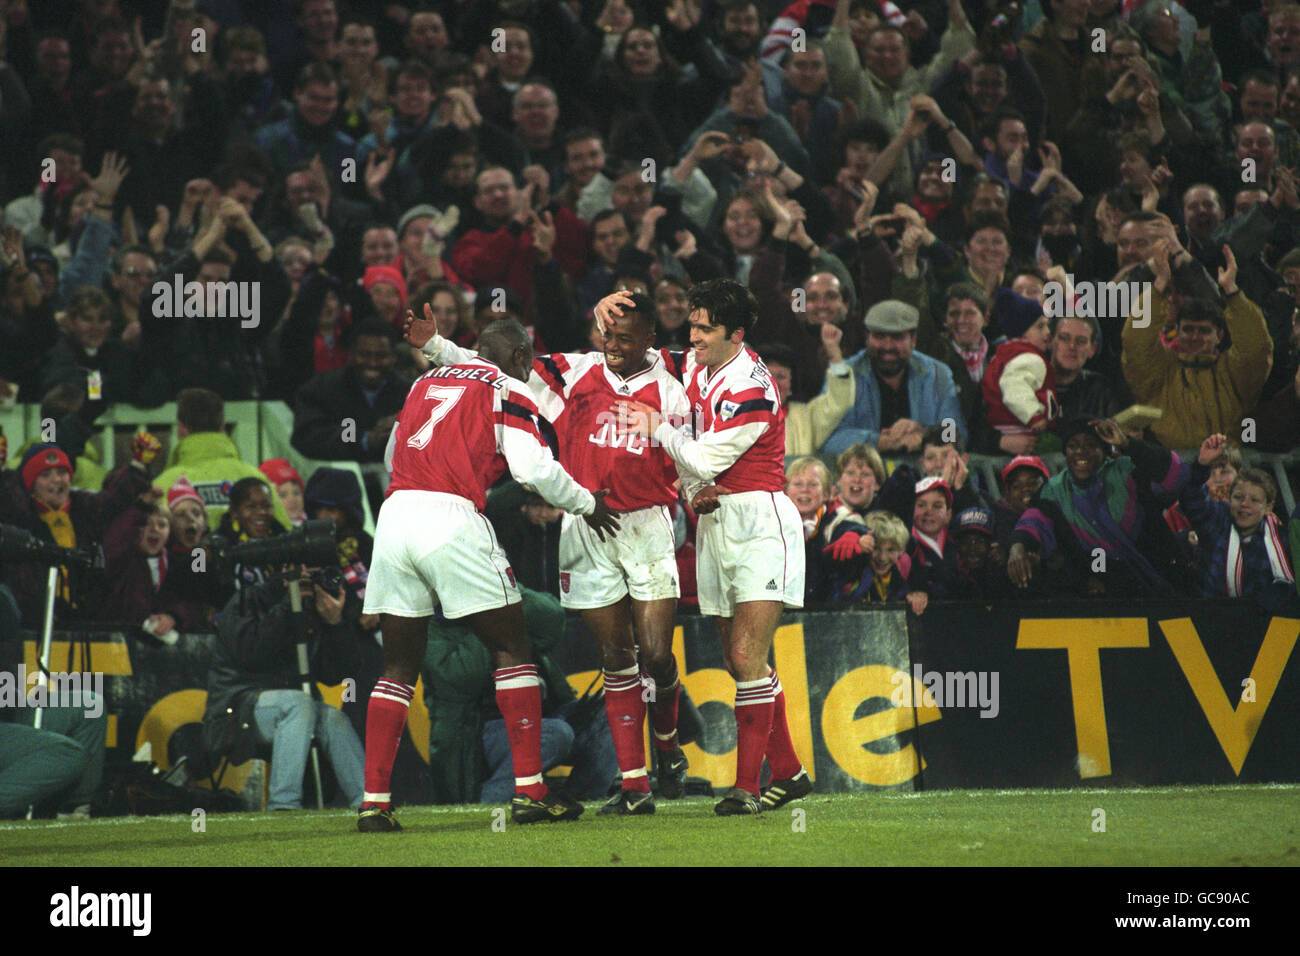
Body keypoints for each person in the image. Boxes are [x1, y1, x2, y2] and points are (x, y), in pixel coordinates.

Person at [408, 290, 692, 815]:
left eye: (626, 341)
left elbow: (695, 449)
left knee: (656, 654)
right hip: (587, 525)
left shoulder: (676, 382)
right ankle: (635, 786)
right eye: (608, 338)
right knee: (616, 658)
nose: (612, 348)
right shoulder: (572, 370)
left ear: (650, 341)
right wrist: (439, 347)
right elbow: (492, 367)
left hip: (648, 523)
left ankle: (669, 742)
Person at [357, 318, 619, 831]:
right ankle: (530, 792)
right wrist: (586, 503)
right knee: (513, 647)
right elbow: (534, 471)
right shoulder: (511, 390)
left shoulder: (422, 382)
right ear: (522, 357)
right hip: (451, 519)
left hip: (395, 516)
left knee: (397, 667)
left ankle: (374, 803)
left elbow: (392, 455)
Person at [612, 278, 811, 815]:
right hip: (716, 523)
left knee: (748, 655)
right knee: (736, 657)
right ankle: (790, 773)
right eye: (693, 325)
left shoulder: (753, 387)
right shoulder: (697, 365)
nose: (693, 336)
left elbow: (702, 457)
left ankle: (746, 788)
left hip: (759, 523)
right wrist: (694, 491)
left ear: (736, 334)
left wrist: (660, 431)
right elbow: (636, 352)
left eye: (705, 328)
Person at [202, 565, 366, 811]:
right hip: (235, 709)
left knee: (334, 718)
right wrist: (289, 606)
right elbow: (252, 655)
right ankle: (283, 806)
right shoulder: (249, 600)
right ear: (286, 570)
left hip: (296, 712)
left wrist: (335, 624)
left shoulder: (312, 607)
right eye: (302, 573)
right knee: (299, 703)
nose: (308, 580)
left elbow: (337, 675)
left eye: (314, 575)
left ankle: (368, 802)